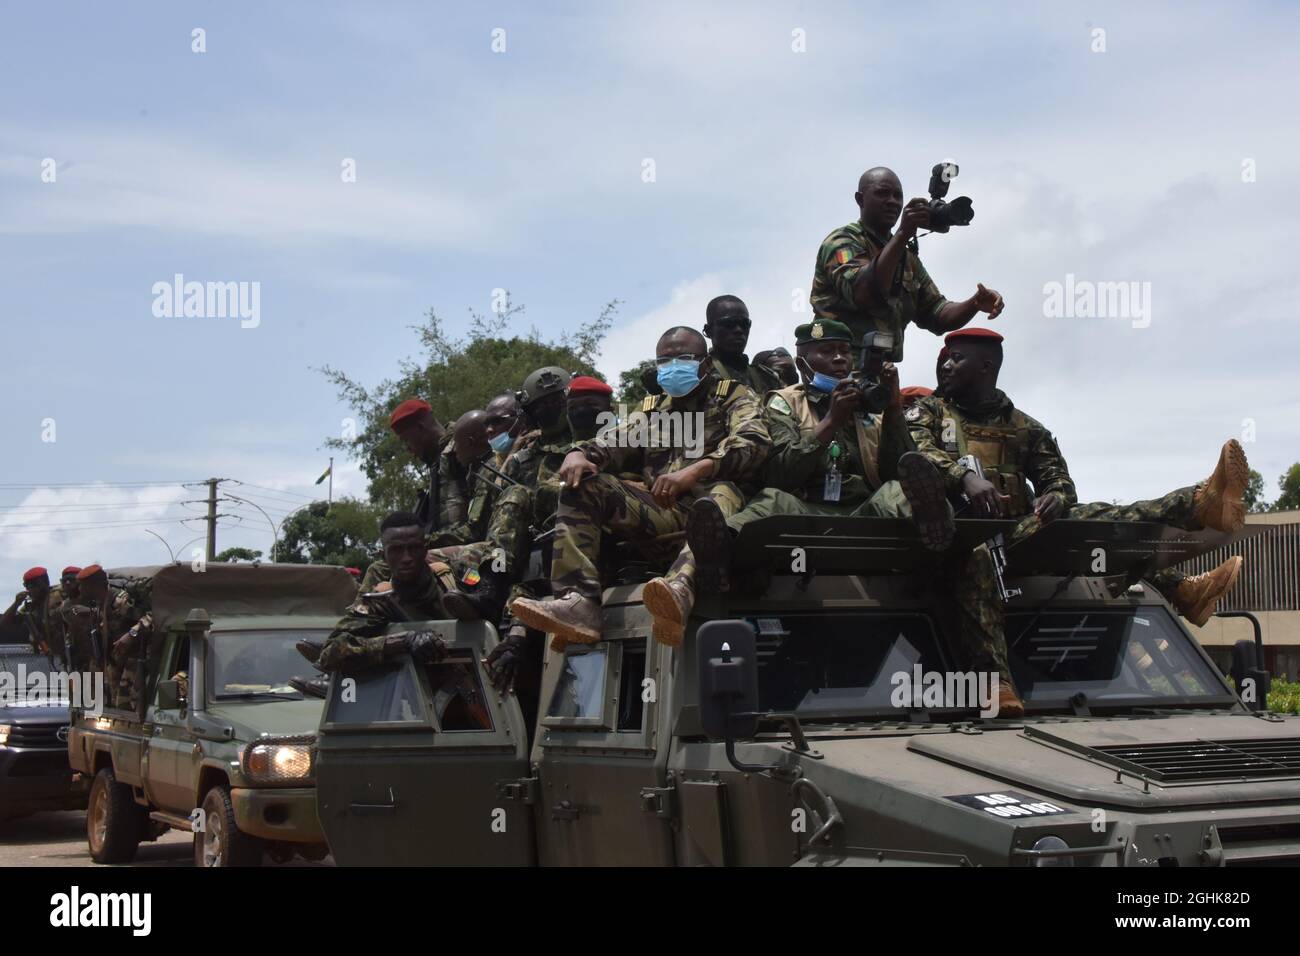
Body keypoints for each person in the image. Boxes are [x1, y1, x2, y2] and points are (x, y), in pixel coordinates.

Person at [906, 327, 1251, 713]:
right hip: (952, 538)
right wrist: (963, 477)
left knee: (1085, 519)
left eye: (956, 358)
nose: (947, 366)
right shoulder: (929, 413)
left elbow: (1060, 482)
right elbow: (915, 453)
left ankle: (1199, 503)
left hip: (1016, 534)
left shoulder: (1028, 428)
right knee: (979, 555)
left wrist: (1056, 497)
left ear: (986, 367)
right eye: (946, 359)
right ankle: (995, 683)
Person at [641, 319, 953, 646]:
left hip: (865, 510)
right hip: (806, 511)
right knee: (771, 498)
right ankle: (718, 544)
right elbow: (779, 473)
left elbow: (895, 469)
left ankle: (935, 525)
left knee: (899, 489)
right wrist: (831, 422)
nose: (839, 359)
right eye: (827, 351)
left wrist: (891, 410)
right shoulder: (783, 402)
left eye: (845, 352)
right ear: (802, 361)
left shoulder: (869, 404)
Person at [510, 326, 770, 647]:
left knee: (722, 492)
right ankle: (579, 603)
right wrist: (580, 453)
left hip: (719, 521)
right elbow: (614, 441)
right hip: (663, 513)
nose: (673, 367)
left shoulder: (734, 396)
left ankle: (679, 590)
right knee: (585, 484)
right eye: (664, 361)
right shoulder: (651, 410)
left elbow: (753, 442)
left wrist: (696, 471)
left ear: (704, 364)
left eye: (683, 359)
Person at [811, 166, 1004, 363]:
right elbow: (865, 292)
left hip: (881, 373)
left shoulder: (905, 256)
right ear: (860, 199)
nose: (892, 202)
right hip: (837, 370)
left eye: (897, 196)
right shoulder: (842, 242)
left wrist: (974, 303)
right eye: (882, 194)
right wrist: (903, 234)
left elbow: (936, 312)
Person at [316, 512, 450, 674]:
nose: (406, 558)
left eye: (414, 548)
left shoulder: (450, 581)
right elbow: (330, 654)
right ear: (384, 556)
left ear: (425, 549)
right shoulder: (379, 602)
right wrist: (403, 642)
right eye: (396, 550)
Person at [71, 565, 152, 710]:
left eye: (83, 586)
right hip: (115, 660)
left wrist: (131, 635)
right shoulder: (101, 602)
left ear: (93, 586)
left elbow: (151, 618)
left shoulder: (119, 601)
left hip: (133, 660)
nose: (80, 590)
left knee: (125, 705)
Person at [703, 295, 784, 395]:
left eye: (745, 323)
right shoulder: (700, 376)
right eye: (729, 323)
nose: (738, 330)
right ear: (708, 330)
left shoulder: (767, 377)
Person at [2, 567, 60, 659]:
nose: (29, 590)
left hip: (68, 652)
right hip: (46, 656)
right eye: (27, 586)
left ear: (44, 583)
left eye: (32, 586)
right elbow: (5, 624)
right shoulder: (30, 607)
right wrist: (16, 604)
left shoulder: (59, 595)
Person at [484, 392, 527, 465]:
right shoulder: (493, 465)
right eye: (487, 424)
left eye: (497, 421)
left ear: (520, 418)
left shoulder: (541, 452)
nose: (489, 430)